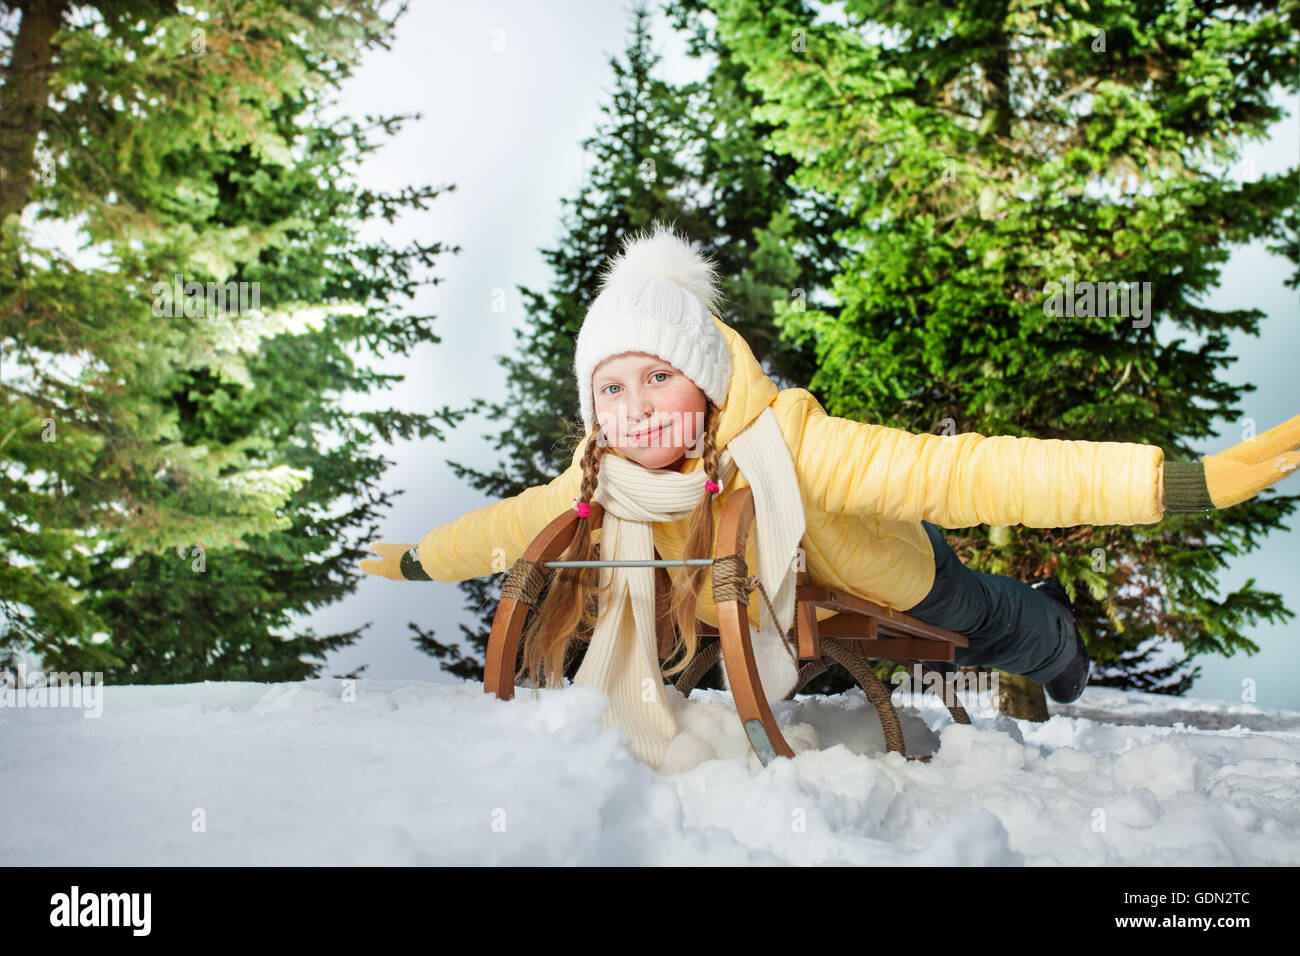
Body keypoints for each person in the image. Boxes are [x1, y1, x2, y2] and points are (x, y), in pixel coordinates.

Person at [362, 222, 1300, 772]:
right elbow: (502, 528)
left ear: (704, 381)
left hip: (894, 569)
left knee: (1000, 625)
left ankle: (1061, 642)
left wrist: (1181, 482)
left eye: (657, 378)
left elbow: (971, 471)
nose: (637, 409)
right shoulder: (597, 484)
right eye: (612, 389)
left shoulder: (794, 444)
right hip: (780, 595)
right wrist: (410, 557)